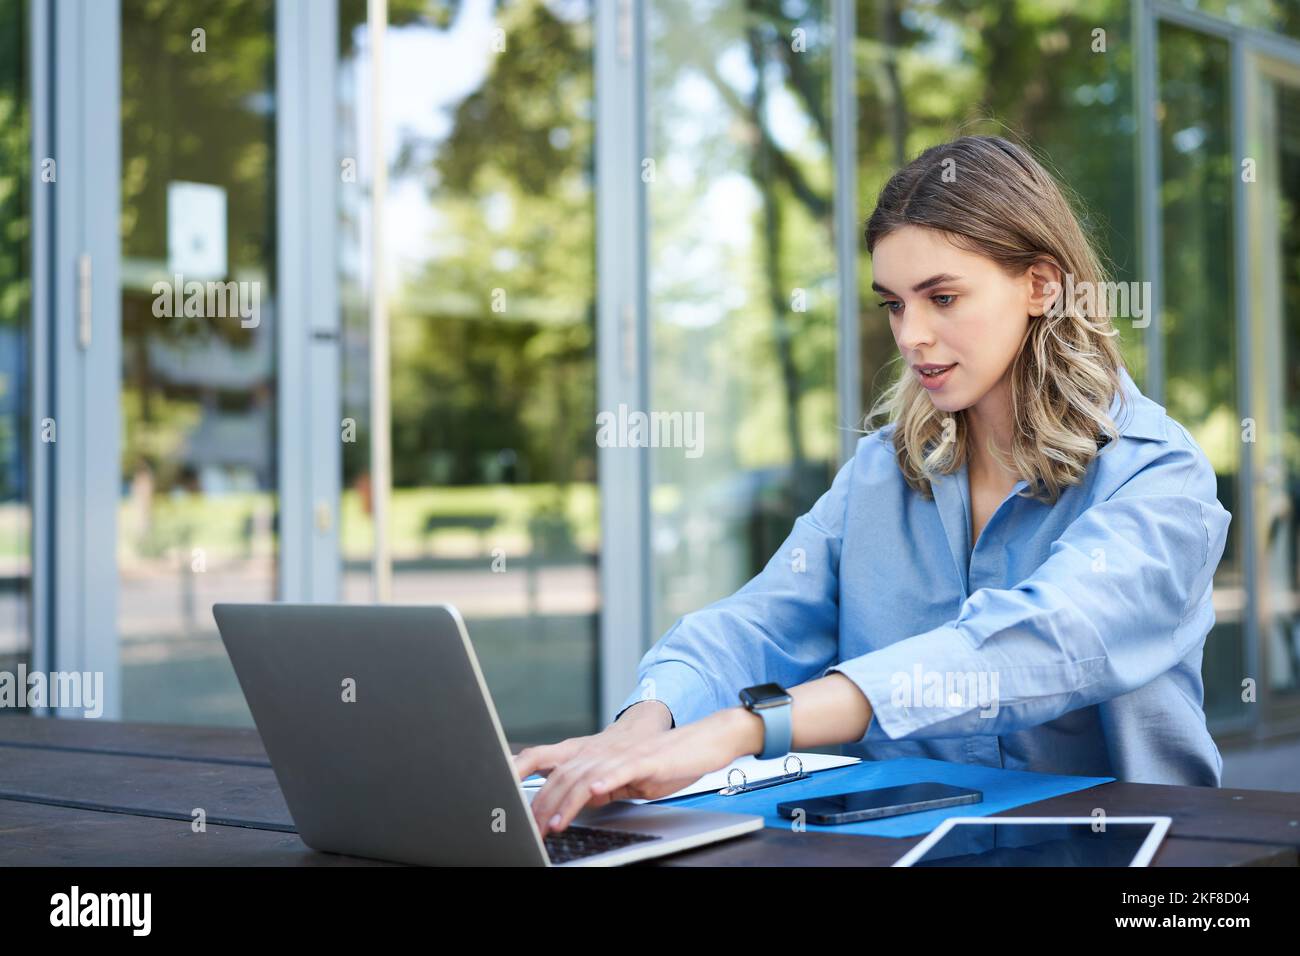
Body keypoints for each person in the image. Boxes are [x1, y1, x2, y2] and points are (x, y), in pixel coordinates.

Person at [515, 135, 1232, 837]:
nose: (911, 334)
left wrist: (745, 728)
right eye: (893, 304)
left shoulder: (1158, 478)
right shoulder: (884, 471)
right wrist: (646, 725)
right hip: (903, 852)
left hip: (1124, 864)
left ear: (1042, 285)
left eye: (942, 297)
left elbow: (1028, 645)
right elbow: (762, 620)